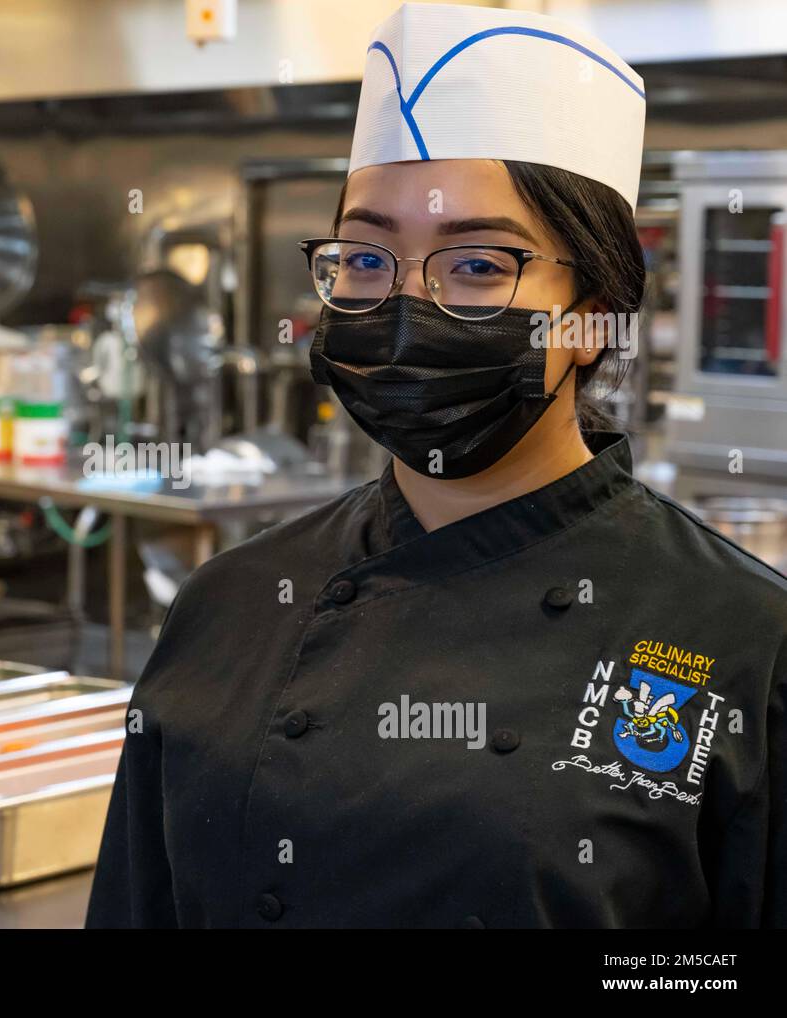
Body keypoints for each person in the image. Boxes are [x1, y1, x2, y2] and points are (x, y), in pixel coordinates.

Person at [86, 1, 786, 928]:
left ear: (593, 314)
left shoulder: (742, 638)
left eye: (478, 266)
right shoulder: (230, 600)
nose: (405, 306)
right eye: (367, 258)